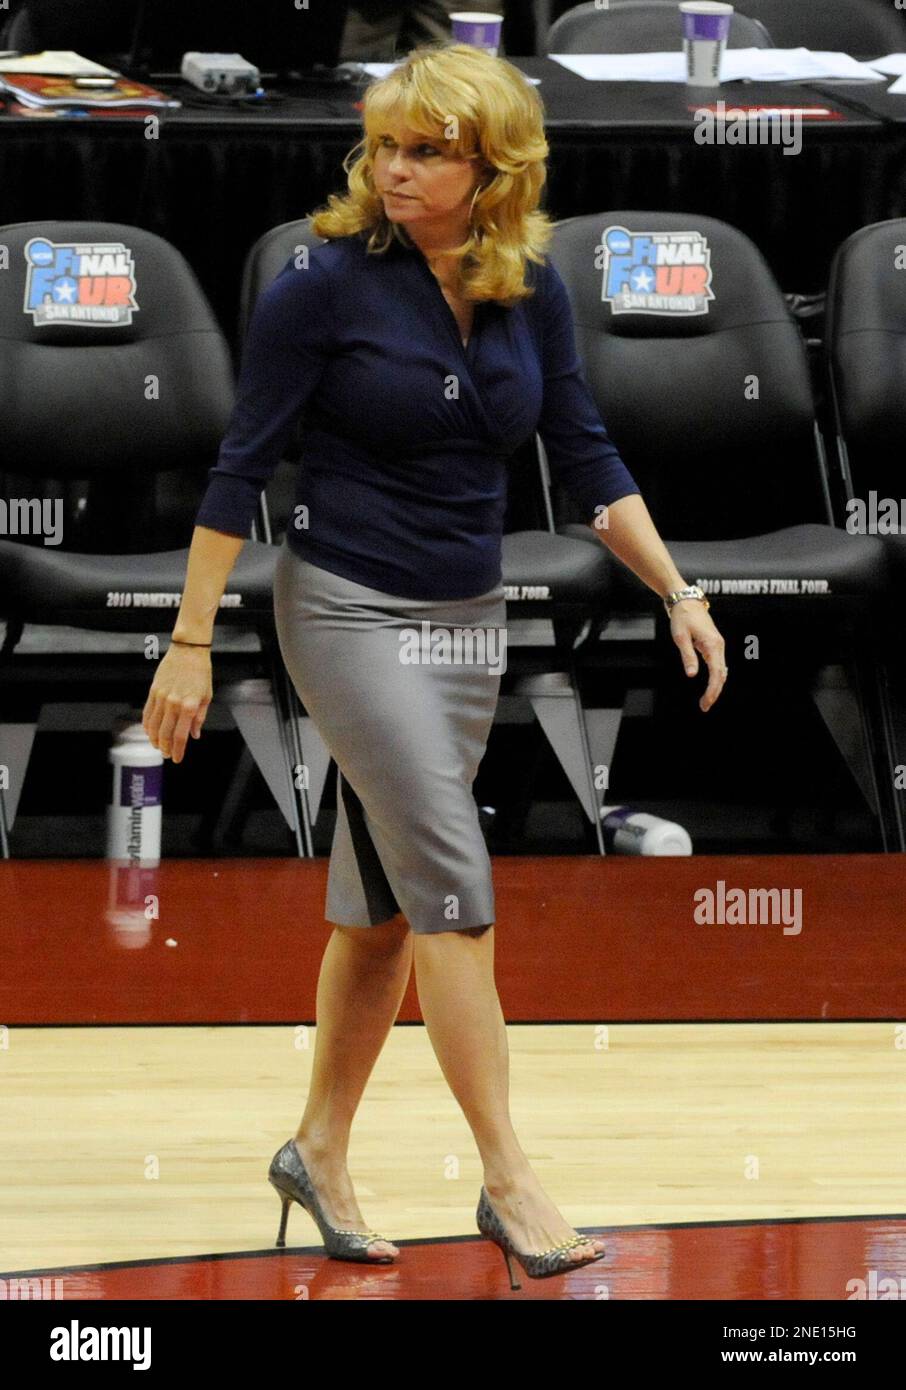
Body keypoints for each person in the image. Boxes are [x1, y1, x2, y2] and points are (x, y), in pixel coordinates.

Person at [142, 41, 727, 1287]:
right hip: (344, 609)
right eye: (383, 146)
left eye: (425, 151)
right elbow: (239, 469)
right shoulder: (321, 283)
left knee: (385, 911)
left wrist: (678, 589)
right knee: (457, 883)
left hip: (467, 621)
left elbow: (584, 452)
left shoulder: (531, 283)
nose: (393, 170)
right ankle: (510, 1179)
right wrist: (190, 640)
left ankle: (317, 1146)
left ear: (492, 167)